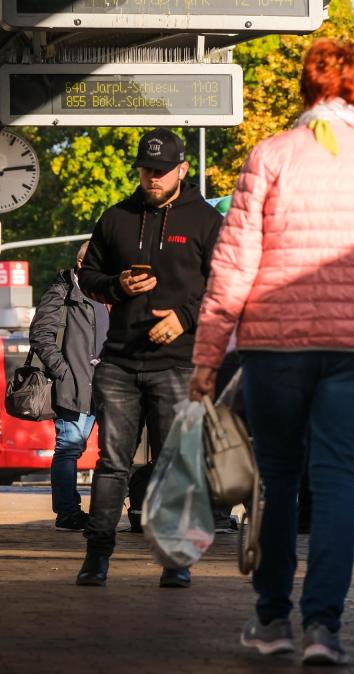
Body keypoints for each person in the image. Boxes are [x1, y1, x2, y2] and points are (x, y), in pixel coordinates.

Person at [188, 39, 354, 665]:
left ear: (306, 92)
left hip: (276, 343)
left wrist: (208, 358)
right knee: (337, 478)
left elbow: (233, 268)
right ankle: (324, 627)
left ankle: (272, 620)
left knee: (277, 476)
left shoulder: (270, 156)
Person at [74, 128, 224, 589]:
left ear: (182, 169)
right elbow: (88, 276)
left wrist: (184, 318)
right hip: (119, 363)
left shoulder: (206, 221)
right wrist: (116, 286)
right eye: (146, 169)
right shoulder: (116, 217)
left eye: (161, 170)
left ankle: (175, 559)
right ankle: (97, 556)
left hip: (178, 364)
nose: (152, 177)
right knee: (111, 465)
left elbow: (226, 287)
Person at [29, 242, 109, 531]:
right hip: (73, 384)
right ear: (80, 263)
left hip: (103, 385)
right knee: (69, 447)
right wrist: (63, 371)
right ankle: (67, 513)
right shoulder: (62, 290)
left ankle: (98, 513)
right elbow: (40, 333)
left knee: (104, 451)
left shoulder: (104, 292)